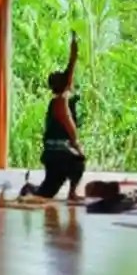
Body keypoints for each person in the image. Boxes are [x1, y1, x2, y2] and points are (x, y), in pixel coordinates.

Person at [20, 31, 85, 203]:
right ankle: (71, 193)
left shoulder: (63, 96)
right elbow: (69, 126)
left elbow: (71, 66)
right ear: (64, 84)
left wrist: (74, 47)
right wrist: (77, 145)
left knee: (47, 191)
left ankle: (32, 188)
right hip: (57, 154)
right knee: (78, 161)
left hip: (55, 153)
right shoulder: (60, 102)